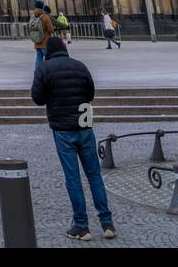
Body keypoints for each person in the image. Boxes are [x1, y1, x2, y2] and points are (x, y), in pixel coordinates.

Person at [31, 35, 117, 241]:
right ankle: (107, 223)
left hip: (63, 128)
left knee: (73, 178)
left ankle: (81, 226)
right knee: (94, 174)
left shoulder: (44, 69)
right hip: (85, 126)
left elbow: (37, 98)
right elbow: (90, 93)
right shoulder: (80, 66)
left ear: (48, 53)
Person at [28, 0, 55, 68]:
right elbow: (51, 30)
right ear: (42, 7)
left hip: (37, 41)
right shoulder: (45, 16)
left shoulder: (33, 16)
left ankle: (38, 72)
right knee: (48, 58)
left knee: (38, 58)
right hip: (45, 42)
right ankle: (47, 71)